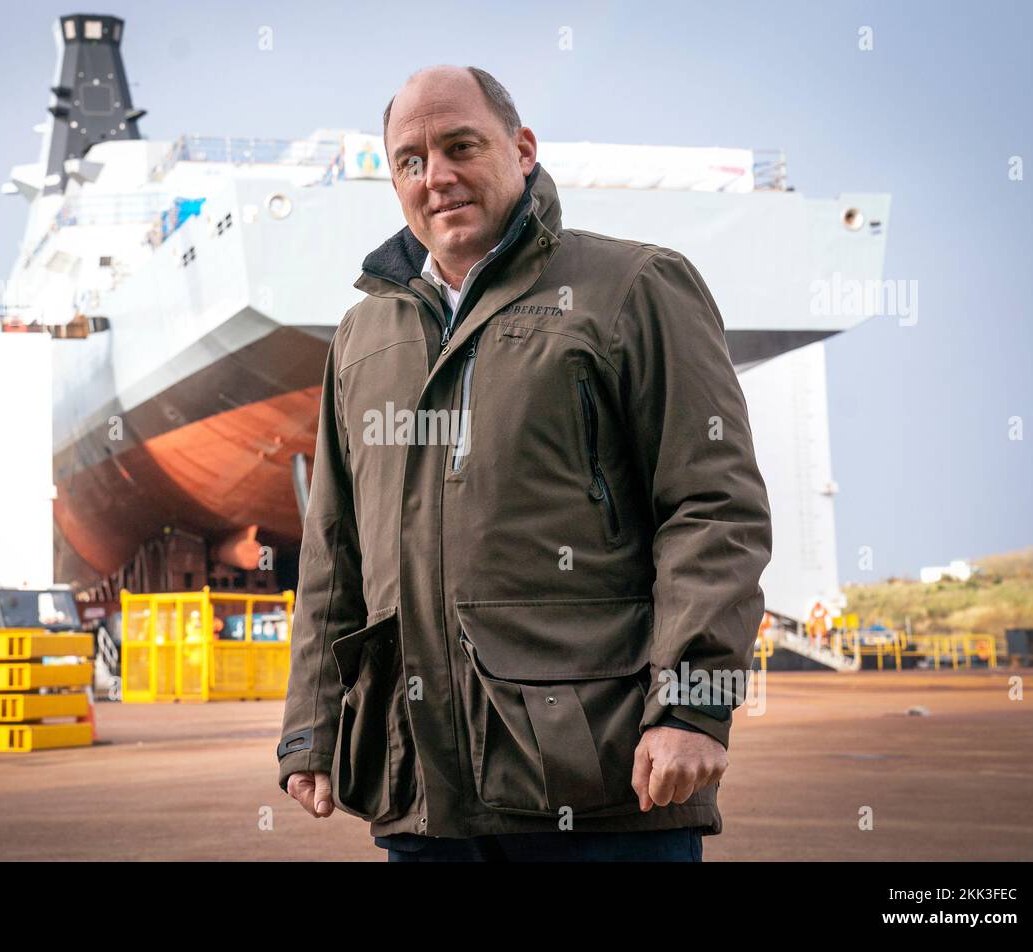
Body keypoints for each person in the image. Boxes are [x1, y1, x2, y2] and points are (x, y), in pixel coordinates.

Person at [276, 65, 772, 862]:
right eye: (410, 160)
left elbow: (714, 506)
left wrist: (693, 707)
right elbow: (334, 553)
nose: (436, 177)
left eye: (460, 146)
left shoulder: (632, 286)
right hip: (422, 802)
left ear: (523, 149)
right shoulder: (363, 336)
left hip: (598, 784)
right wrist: (311, 727)